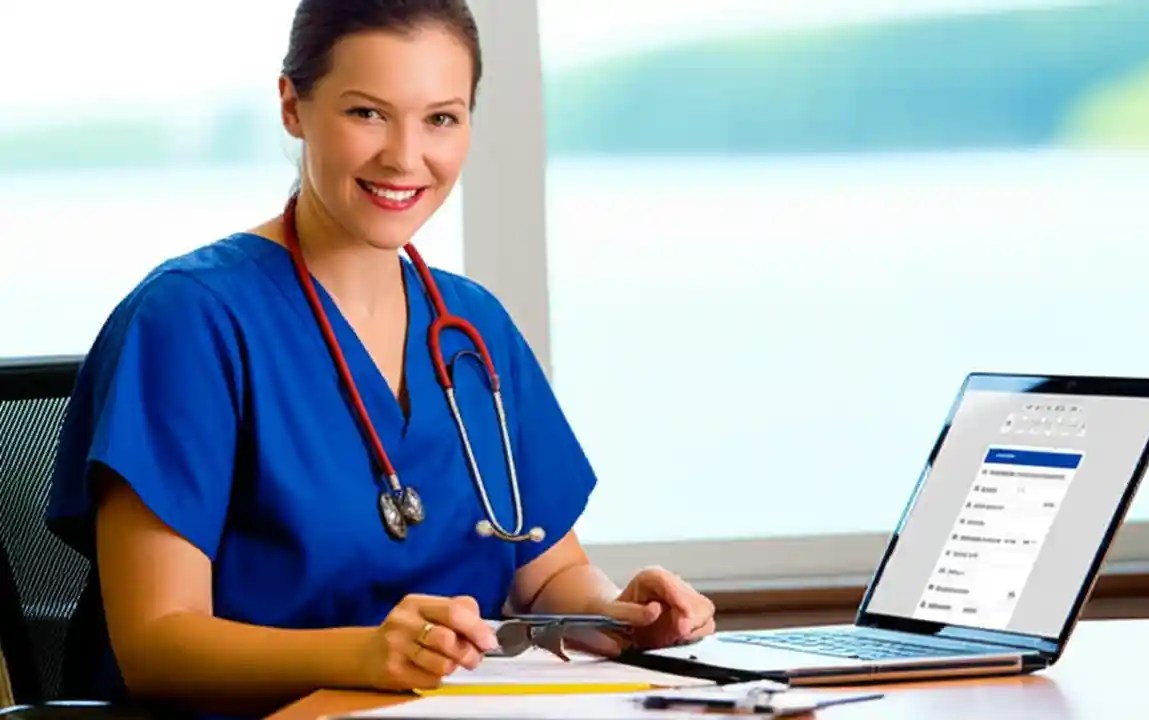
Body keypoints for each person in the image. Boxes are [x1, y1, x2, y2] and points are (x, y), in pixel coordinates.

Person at [44, 1, 716, 717]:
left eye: (441, 118)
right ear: (292, 106)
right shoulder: (191, 319)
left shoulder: (473, 330)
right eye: (367, 113)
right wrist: (364, 655)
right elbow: (156, 644)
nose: (405, 156)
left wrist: (623, 620)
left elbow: (547, 577)